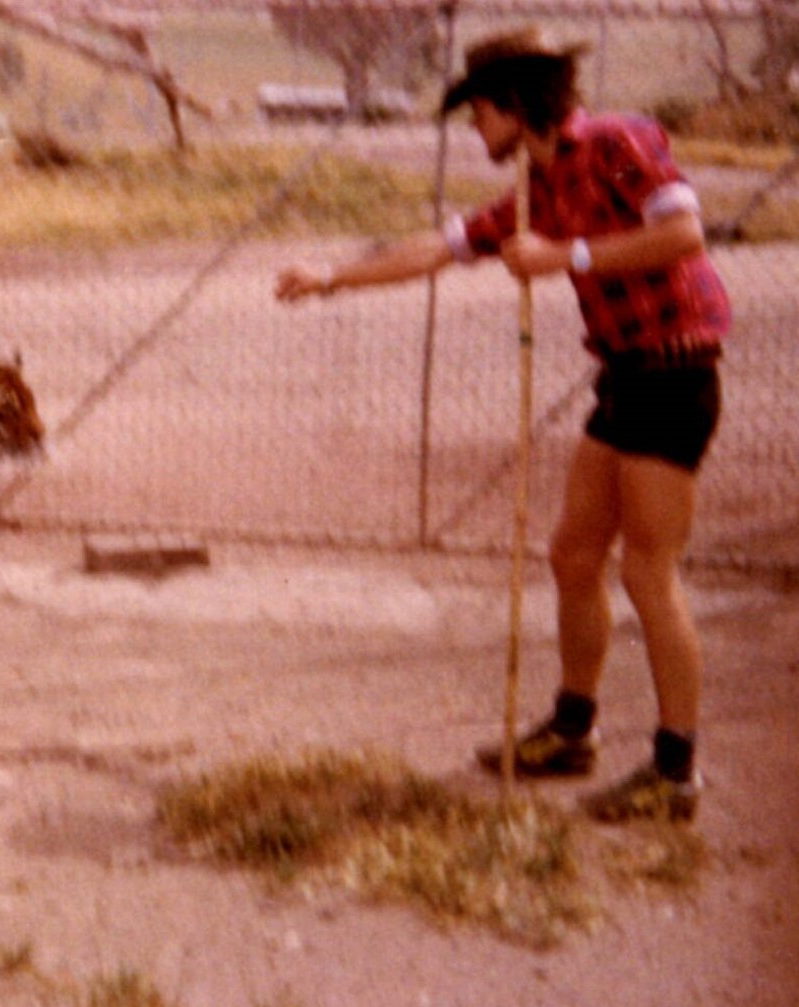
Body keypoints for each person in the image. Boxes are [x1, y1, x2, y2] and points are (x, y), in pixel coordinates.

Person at [275, 26, 730, 823]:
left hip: (675, 373)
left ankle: (675, 771)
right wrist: (330, 279)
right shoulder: (532, 188)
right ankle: (573, 729)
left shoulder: (616, 141)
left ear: (516, 104)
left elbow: (683, 233)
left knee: (647, 572)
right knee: (572, 553)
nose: (474, 128)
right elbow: (437, 247)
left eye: (479, 111)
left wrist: (567, 257)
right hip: (625, 379)